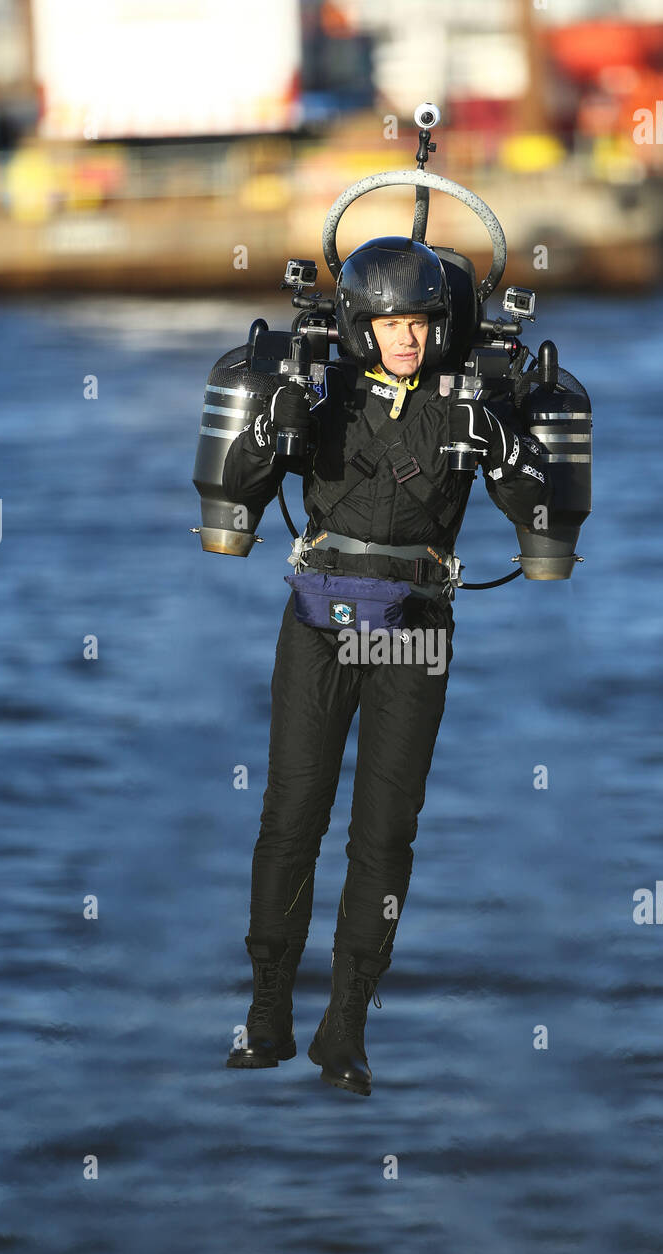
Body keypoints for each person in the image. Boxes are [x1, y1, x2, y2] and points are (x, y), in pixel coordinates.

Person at [222, 236, 552, 1096]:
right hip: (317, 616)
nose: (405, 338)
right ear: (360, 327)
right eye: (388, 323)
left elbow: (534, 501)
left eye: (418, 322)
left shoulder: (470, 398)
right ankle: (266, 1013)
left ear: (438, 324)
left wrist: (507, 450)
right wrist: (271, 432)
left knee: (384, 833)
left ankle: (347, 1028)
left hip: (417, 622)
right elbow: (241, 482)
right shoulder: (317, 389)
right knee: (290, 819)